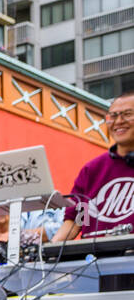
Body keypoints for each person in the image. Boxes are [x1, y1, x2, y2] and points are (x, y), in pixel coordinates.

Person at [55, 93, 134, 241]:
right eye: (113, 116)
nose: (119, 121)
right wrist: (47, 253)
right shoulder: (92, 170)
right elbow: (76, 221)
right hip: (94, 260)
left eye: (127, 114)